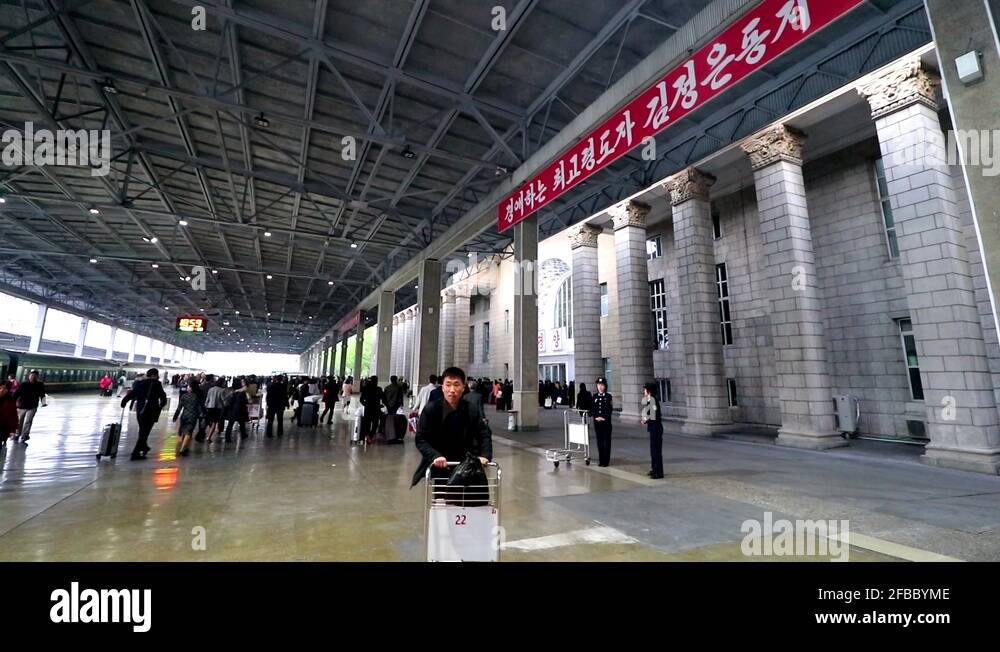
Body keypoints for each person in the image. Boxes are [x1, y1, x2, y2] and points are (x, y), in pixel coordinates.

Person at [411, 366, 492, 488]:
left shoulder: (471, 409)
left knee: (469, 502)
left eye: (456, 385)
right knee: (443, 502)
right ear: (442, 387)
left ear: (463, 387)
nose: (452, 390)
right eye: (448, 385)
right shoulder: (431, 410)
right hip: (441, 466)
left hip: (467, 467)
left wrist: (485, 455)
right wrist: (435, 455)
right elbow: (421, 439)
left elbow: (484, 434)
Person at [121, 368, 167, 460]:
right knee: (144, 433)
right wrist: (160, 406)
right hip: (151, 412)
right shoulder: (157, 384)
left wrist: (124, 401)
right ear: (153, 375)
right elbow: (163, 397)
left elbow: (133, 393)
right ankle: (135, 454)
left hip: (140, 411)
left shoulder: (140, 383)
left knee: (142, 431)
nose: (158, 377)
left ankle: (144, 447)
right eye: (157, 375)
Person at [12, 370, 46, 443]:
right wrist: (11, 401)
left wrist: (43, 403)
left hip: (32, 406)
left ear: (37, 377)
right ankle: (17, 434)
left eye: (34, 376)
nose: (32, 377)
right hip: (21, 406)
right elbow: (16, 393)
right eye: (31, 375)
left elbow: (42, 394)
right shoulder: (23, 384)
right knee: (19, 421)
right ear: (29, 376)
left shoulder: (40, 385)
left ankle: (25, 435)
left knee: (28, 421)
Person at [172, 381, 202, 456]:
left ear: (192, 388)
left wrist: (175, 416)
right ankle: (183, 449)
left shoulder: (184, 396)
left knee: (183, 431)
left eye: (189, 386)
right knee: (189, 433)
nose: (187, 387)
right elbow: (200, 409)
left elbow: (179, 408)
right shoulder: (197, 397)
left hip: (184, 416)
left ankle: (184, 446)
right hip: (193, 416)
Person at [641, 383, 664, 479]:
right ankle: (654, 469)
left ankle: (659, 472)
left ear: (649, 391)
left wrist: (646, 420)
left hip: (656, 429)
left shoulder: (653, 401)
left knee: (656, 451)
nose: (644, 392)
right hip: (653, 428)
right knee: (653, 451)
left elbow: (655, 415)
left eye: (645, 390)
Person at [590, 377, 613, 467]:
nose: (600, 387)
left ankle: (606, 461)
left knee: (606, 442)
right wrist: (596, 417)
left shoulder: (608, 396)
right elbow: (593, 408)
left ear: (605, 386)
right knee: (599, 442)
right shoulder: (595, 396)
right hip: (597, 422)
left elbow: (609, 409)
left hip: (606, 423)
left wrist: (604, 417)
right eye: (598, 385)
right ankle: (601, 460)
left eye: (602, 385)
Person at [359, 375, 384, 443]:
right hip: (376, 409)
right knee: (375, 424)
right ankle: (371, 436)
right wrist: (381, 405)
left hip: (368, 409)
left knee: (367, 423)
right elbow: (383, 398)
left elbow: (361, 399)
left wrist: (366, 405)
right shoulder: (379, 389)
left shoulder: (366, 388)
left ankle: (368, 436)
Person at [204, 377, 226, 443]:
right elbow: (224, 401)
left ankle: (203, 433)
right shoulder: (222, 390)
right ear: (222, 383)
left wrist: (206, 406)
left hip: (209, 407)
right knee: (214, 423)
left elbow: (207, 399)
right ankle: (209, 437)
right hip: (217, 408)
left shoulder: (211, 389)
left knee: (208, 421)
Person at [0, 382, 18, 449]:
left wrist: (13, 430)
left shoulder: (10, 401)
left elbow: (14, 416)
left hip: (3, 427)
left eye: (4, 388)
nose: (1, 390)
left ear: (8, 390)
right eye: (0, 388)